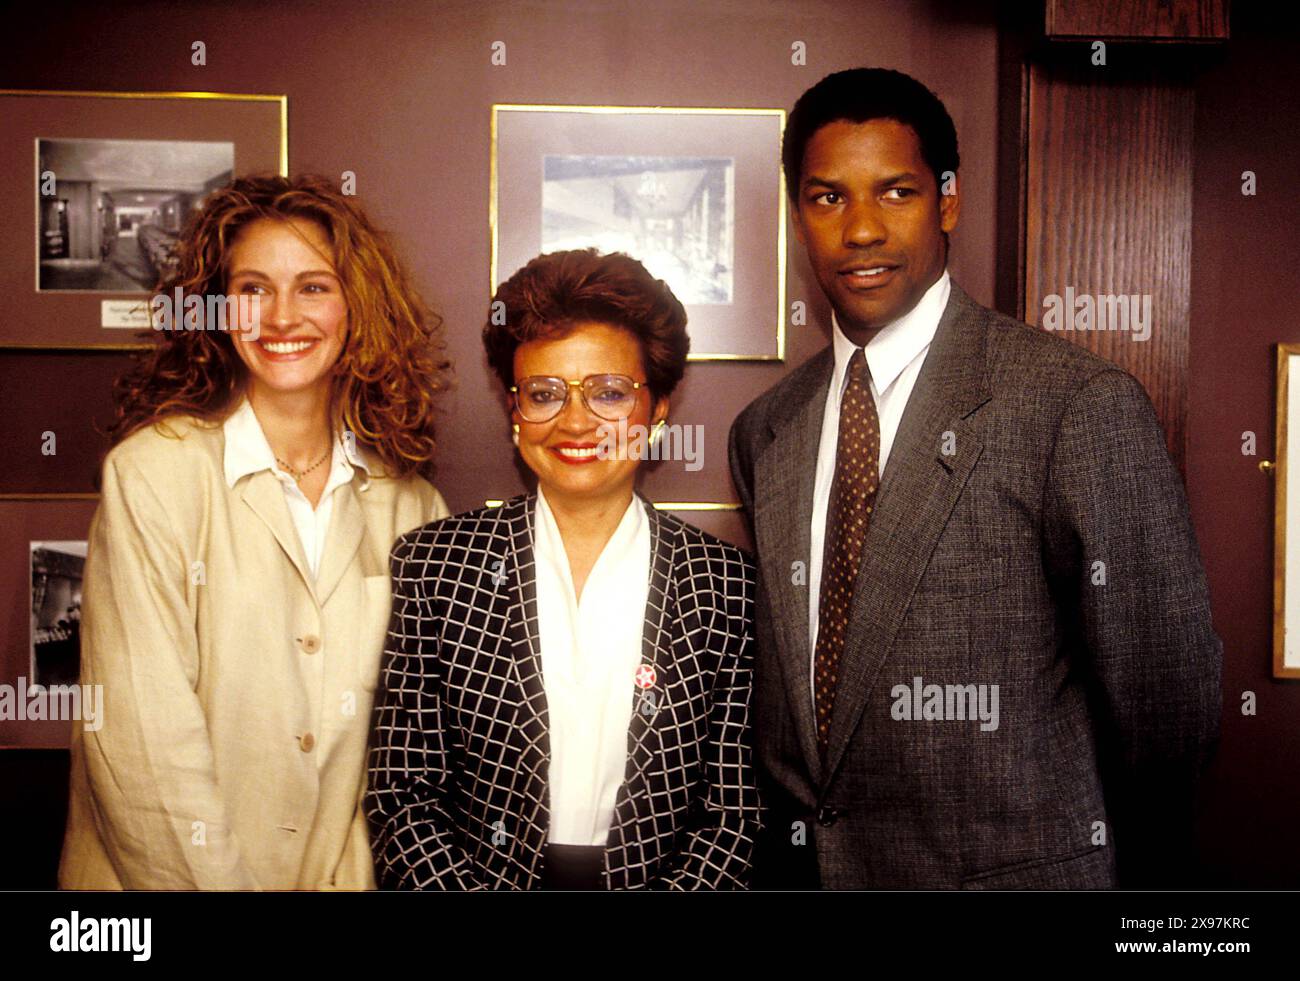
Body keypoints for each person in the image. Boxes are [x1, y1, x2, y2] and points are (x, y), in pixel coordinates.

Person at [728, 68, 1222, 889]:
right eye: (827, 198)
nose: (859, 230)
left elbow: (1167, 712)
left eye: (895, 193)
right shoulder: (765, 431)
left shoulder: (1073, 406)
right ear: (798, 215)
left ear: (948, 201)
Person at [58, 174, 451, 890]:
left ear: (356, 305)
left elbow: (399, 763)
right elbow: (146, 752)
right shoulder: (152, 476)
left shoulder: (412, 507)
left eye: (313, 287)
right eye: (252, 288)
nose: (280, 316)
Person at [366, 248, 759, 889]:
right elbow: (404, 799)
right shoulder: (434, 566)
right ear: (515, 410)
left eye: (609, 393)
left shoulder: (725, 585)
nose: (576, 422)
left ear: (657, 407)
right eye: (544, 394)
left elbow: (733, 814)